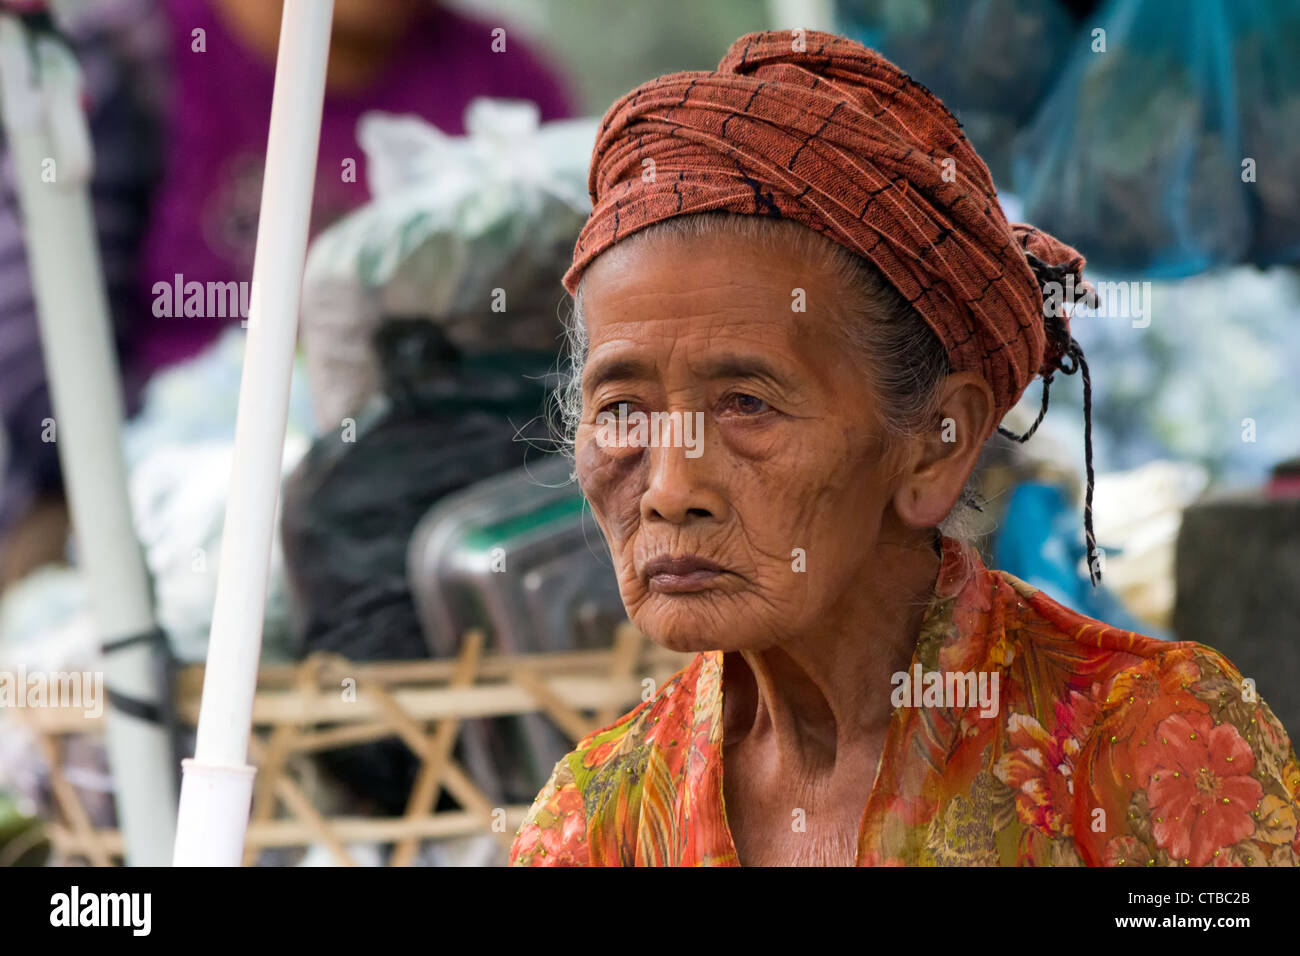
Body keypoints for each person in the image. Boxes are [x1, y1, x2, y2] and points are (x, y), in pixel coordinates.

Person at [509, 30, 1300, 866]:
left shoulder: (1149, 751)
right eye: (623, 408)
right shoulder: (598, 819)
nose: (670, 488)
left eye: (747, 403)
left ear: (937, 442)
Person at [0, 0, 574, 587]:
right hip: (154, 542)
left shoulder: (503, 81)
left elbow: (565, 325)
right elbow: (39, 365)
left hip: (436, 518)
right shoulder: (129, 62)